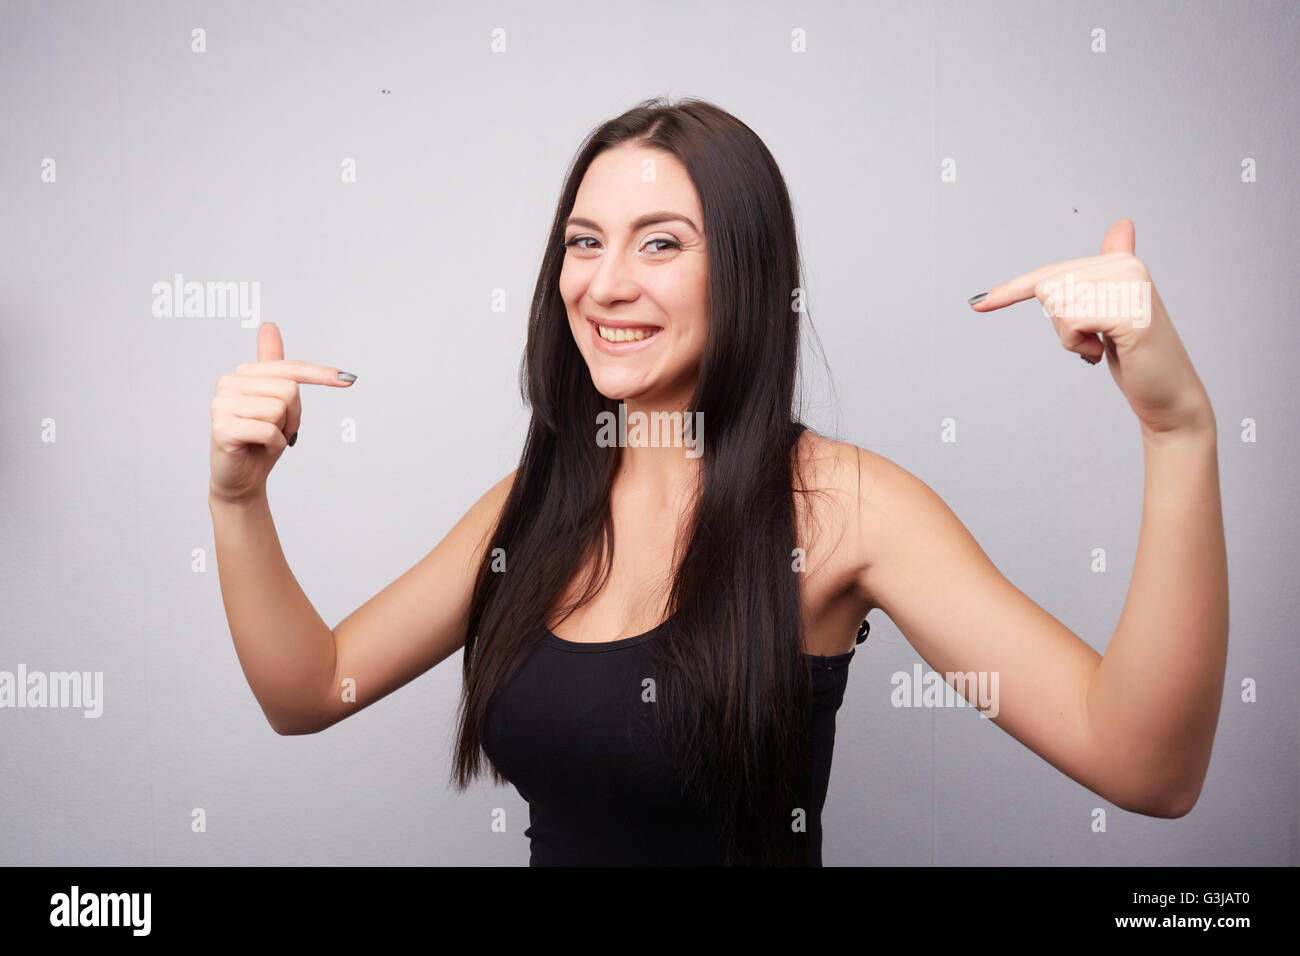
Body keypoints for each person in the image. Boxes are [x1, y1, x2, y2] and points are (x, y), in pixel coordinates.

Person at [207, 97, 1227, 866]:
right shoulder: (531, 510)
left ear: (742, 271)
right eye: (583, 241)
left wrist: (1177, 433)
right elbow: (307, 690)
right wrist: (239, 500)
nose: (605, 282)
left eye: (661, 243)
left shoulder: (841, 509)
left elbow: (1144, 766)